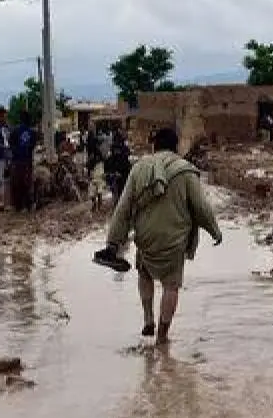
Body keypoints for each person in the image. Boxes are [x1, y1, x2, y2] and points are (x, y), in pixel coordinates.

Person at [94, 127, 222, 345]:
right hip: (175, 239)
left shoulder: (139, 168)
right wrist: (214, 231)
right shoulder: (186, 171)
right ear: (176, 147)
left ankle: (148, 319)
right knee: (171, 286)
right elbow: (201, 207)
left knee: (144, 274)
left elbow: (123, 207)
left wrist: (113, 243)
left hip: (146, 236)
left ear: (155, 146)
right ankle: (162, 336)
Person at [10, 111, 37, 212]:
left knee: (17, 184)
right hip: (27, 162)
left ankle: (18, 206)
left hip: (17, 162)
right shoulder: (32, 132)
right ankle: (28, 205)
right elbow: (32, 146)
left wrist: (16, 153)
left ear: (20, 119)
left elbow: (11, 145)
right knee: (27, 183)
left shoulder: (14, 131)